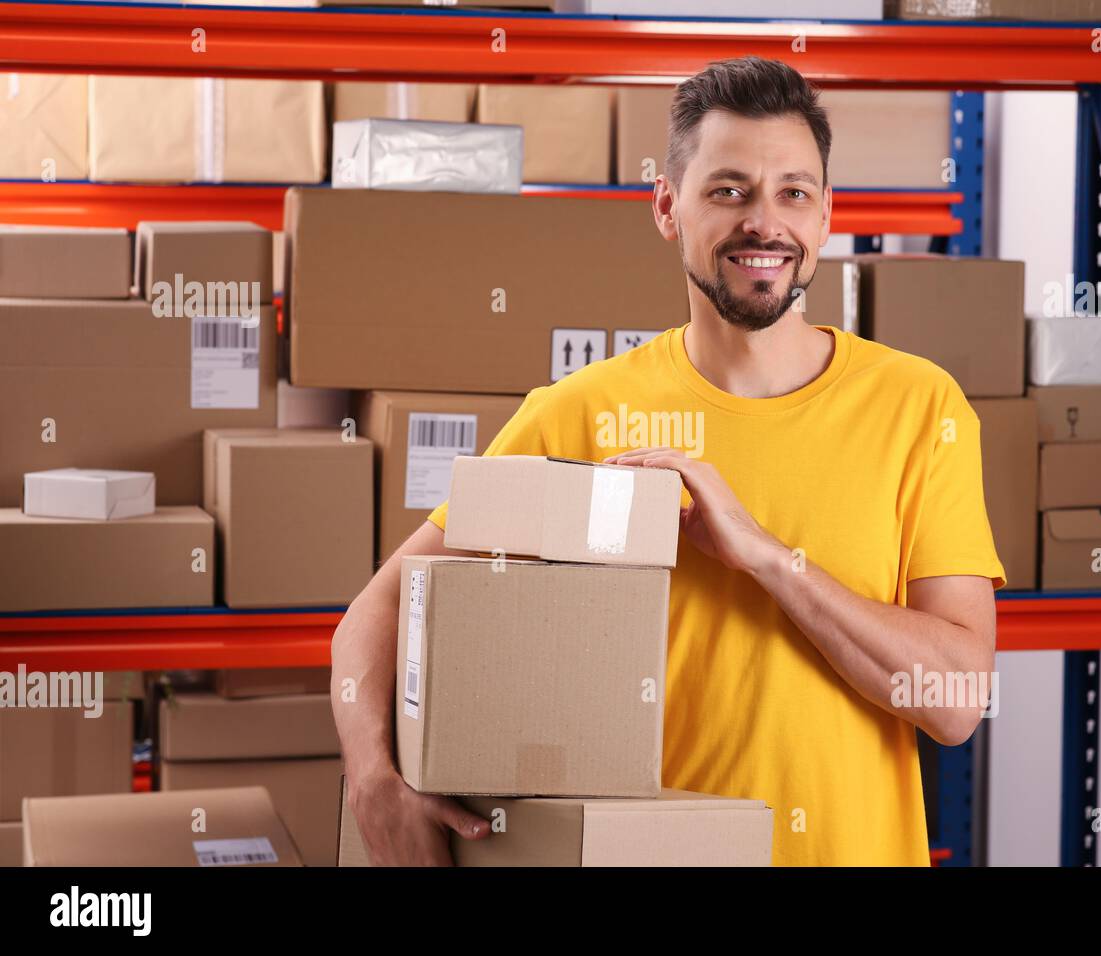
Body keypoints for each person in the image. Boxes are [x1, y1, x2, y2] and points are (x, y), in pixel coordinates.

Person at [331, 55, 1004, 867]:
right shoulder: (576, 415)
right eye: (728, 190)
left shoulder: (917, 408)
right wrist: (372, 774)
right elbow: (377, 612)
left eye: (794, 192)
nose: (765, 222)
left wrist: (764, 558)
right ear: (667, 208)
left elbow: (958, 702)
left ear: (826, 217)